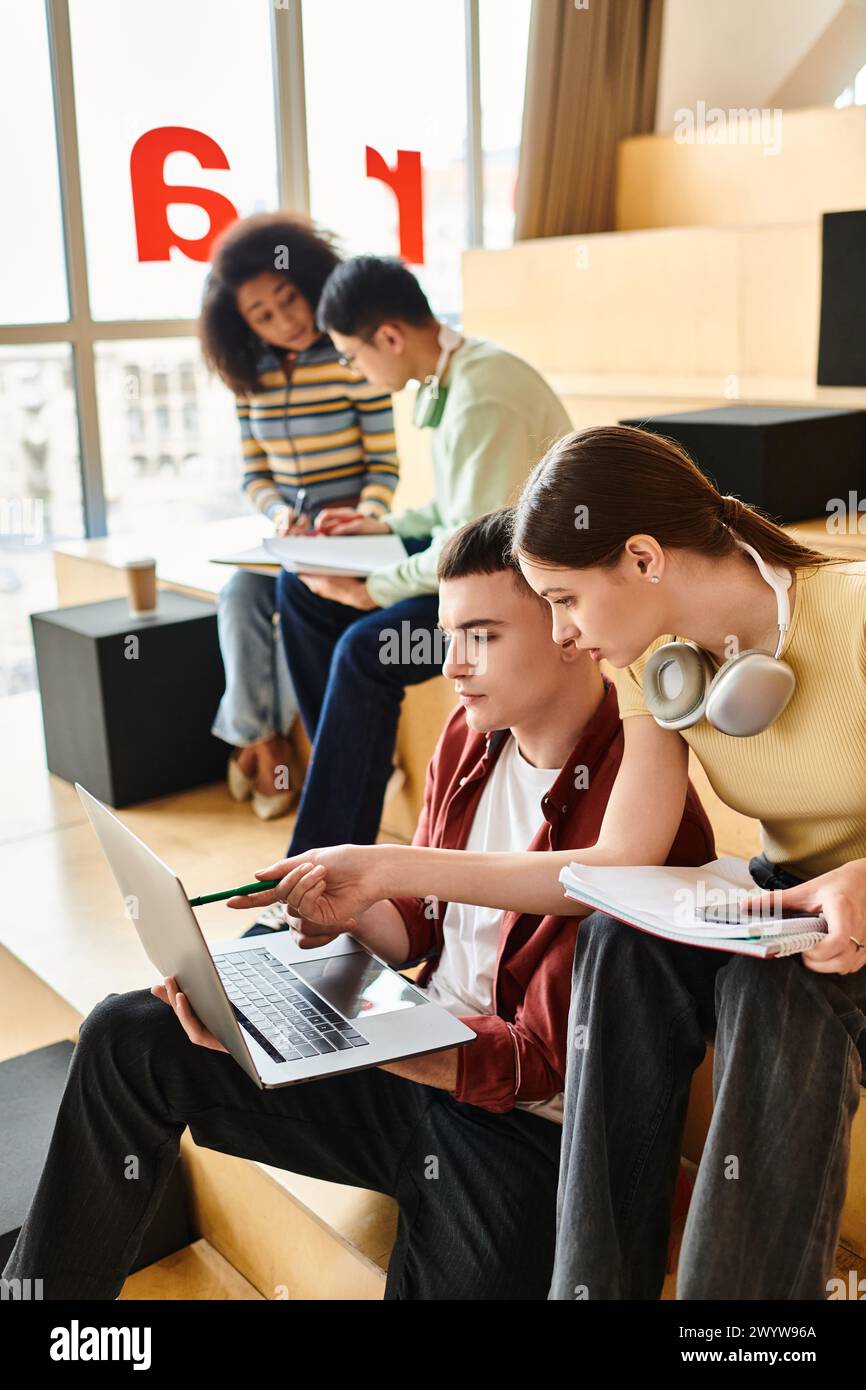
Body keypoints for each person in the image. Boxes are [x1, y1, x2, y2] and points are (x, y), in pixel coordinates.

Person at [0, 508, 713, 1302]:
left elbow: (535, 1063)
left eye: (481, 636)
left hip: (526, 1132)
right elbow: (419, 923)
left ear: (568, 629)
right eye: (448, 635)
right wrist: (348, 921)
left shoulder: (642, 816)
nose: (452, 665)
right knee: (127, 1034)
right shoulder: (471, 736)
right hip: (411, 1073)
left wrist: (341, 1038)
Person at [228, 426, 866, 1300]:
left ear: (643, 558)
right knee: (617, 939)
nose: (563, 630)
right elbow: (612, 863)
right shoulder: (657, 667)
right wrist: (391, 868)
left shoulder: (856, 611)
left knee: (773, 991)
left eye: (563, 599)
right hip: (793, 901)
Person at [241, 256, 570, 930]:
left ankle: (316, 868)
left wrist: (375, 588)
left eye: (353, 357)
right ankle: (353, 759)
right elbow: (453, 512)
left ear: (388, 337)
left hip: (515, 599)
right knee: (300, 594)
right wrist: (385, 525)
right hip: (477, 569)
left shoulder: (483, 392)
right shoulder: (456, 374)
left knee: (369, 647)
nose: (356, 372)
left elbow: (481, 545)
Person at [199, 214, 399, 819]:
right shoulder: (248, 377)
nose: (285, 319)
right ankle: (265, 743)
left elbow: (383, 466)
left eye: (289, 298)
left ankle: (266, 767)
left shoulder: (349, 356)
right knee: (238, 595)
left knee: (294, 604)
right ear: (244, 325)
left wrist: (363, 515)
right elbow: (253, 475)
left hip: (352, 539)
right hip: (288, 536)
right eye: (263, 314)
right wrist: (280, 511)